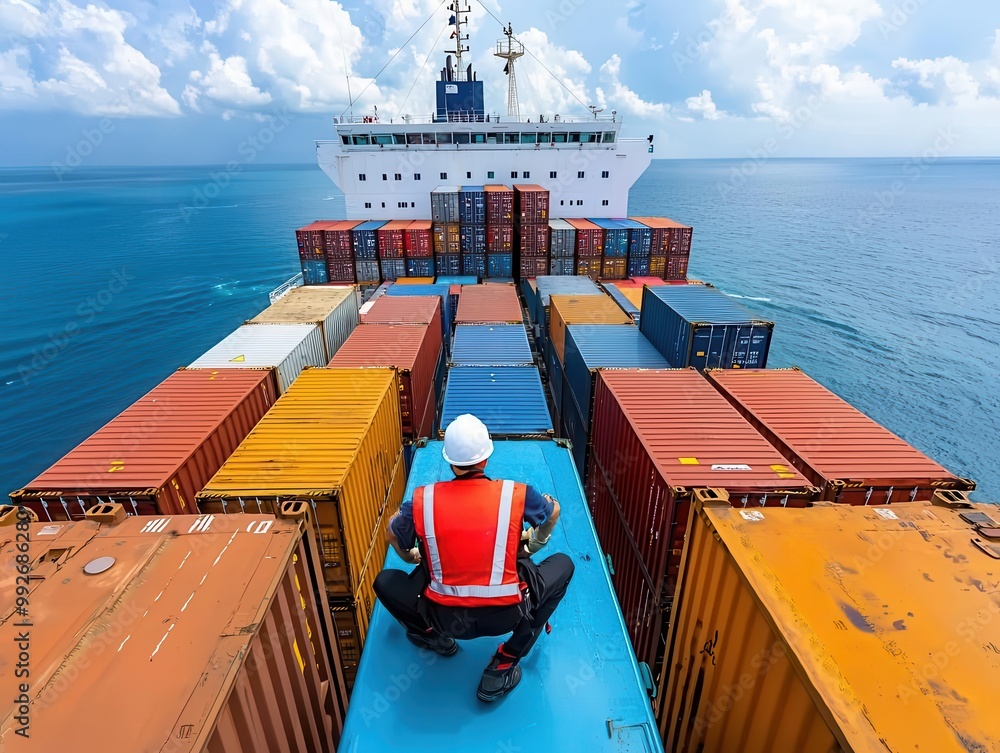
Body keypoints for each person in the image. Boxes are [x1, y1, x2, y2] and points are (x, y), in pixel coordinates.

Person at [374, 414, 575, 702]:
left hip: (444, 618)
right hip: (505, 617)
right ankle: (503, 664)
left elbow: (394, 535)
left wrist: (412, 555)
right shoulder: (516, 494)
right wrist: (534, 543)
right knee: (564, 566)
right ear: (485, 459)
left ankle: (435, 638)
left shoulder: (420, 502)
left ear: (450, 461)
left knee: (385, 582)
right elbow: (552, 513)